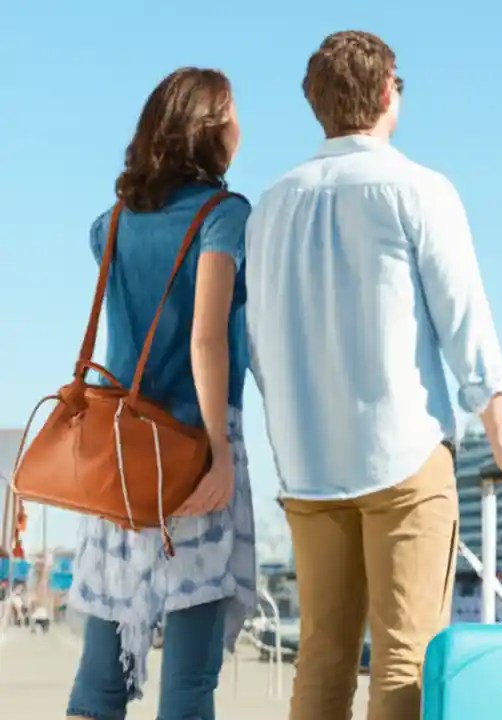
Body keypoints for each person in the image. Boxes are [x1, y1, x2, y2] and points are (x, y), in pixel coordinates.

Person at [245, 30, 502, 720]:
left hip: (306, 464)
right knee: (405, 658)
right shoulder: (418, 188)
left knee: (322, 658)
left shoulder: (269, 206)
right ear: (389, 91)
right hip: (402, 454)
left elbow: (258, 340)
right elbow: (464, 319)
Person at [65, 67, 257, 720]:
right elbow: (207, 337)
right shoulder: (224, 215)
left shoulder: (111, 224)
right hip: (191, 446)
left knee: (101, 676)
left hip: (119, 453)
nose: (242, 127)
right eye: (234, 113)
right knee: (188, 681)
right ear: (212, 128)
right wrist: (220, 453)